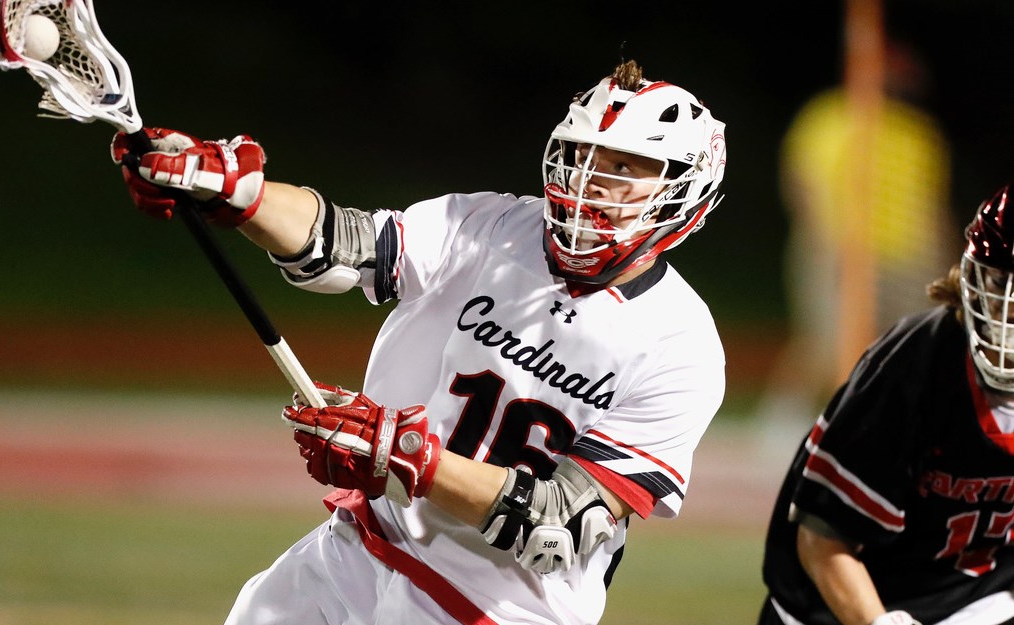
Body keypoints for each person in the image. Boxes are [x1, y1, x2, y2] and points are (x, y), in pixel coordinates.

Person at [110, 59, 728, 625]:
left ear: (685, 188)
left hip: (496, 607)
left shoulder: (680, 345)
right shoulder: (490, 227)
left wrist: (407, 455)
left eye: (622, 169)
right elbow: (342, 243)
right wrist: (237, 194)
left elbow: (560, 520)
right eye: (581, 158)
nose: (589, 184)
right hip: (361, 547)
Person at [757, 184, 1014, 625]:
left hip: (979, 603)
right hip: (843, 606)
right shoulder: (918, 365)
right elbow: (823, 542)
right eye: (1002, 283)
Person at [756, 39, 956, 427]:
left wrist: (947, 258)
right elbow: (801, 181)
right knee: (827, 337)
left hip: (909, 255)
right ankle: (783, 416)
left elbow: (932, 203)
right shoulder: (829, 116)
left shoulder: (919, 133)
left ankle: (901, 422)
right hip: (838, 246)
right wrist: (822, 239)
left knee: (917, 341)